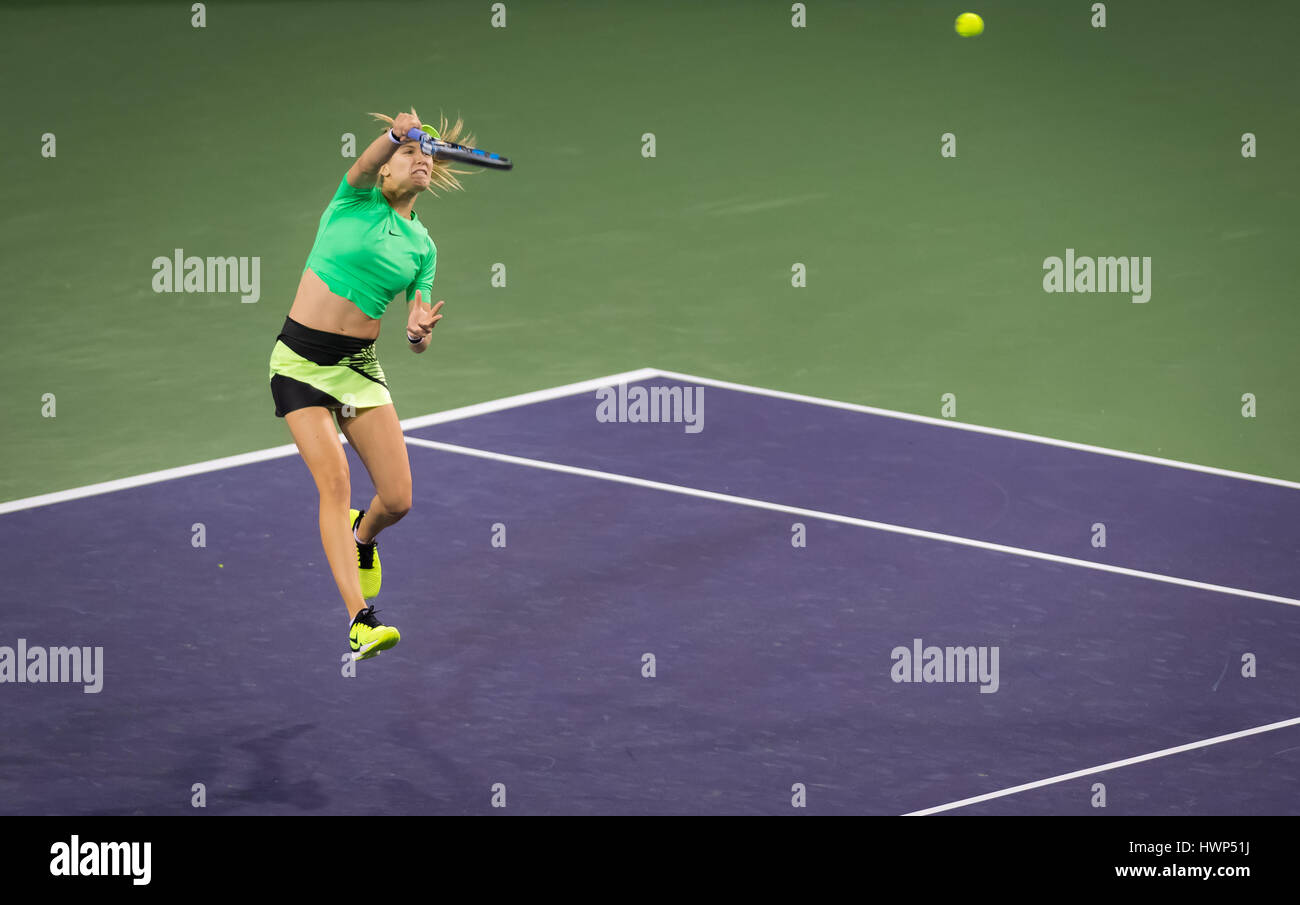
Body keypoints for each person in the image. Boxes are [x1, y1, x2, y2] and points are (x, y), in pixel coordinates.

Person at [267, 109, 473, 660]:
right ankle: (360, 619)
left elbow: (418, 331)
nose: (420, 160)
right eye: (409, 154)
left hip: (358, 367)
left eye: (425, 155)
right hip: (300, 364)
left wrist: (416, 334)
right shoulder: (352, 199)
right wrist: (393, 135)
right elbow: (363, 162)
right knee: (334, 485)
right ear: (385, 170)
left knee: (399, 499)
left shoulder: (422, 247)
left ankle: (363, 537)